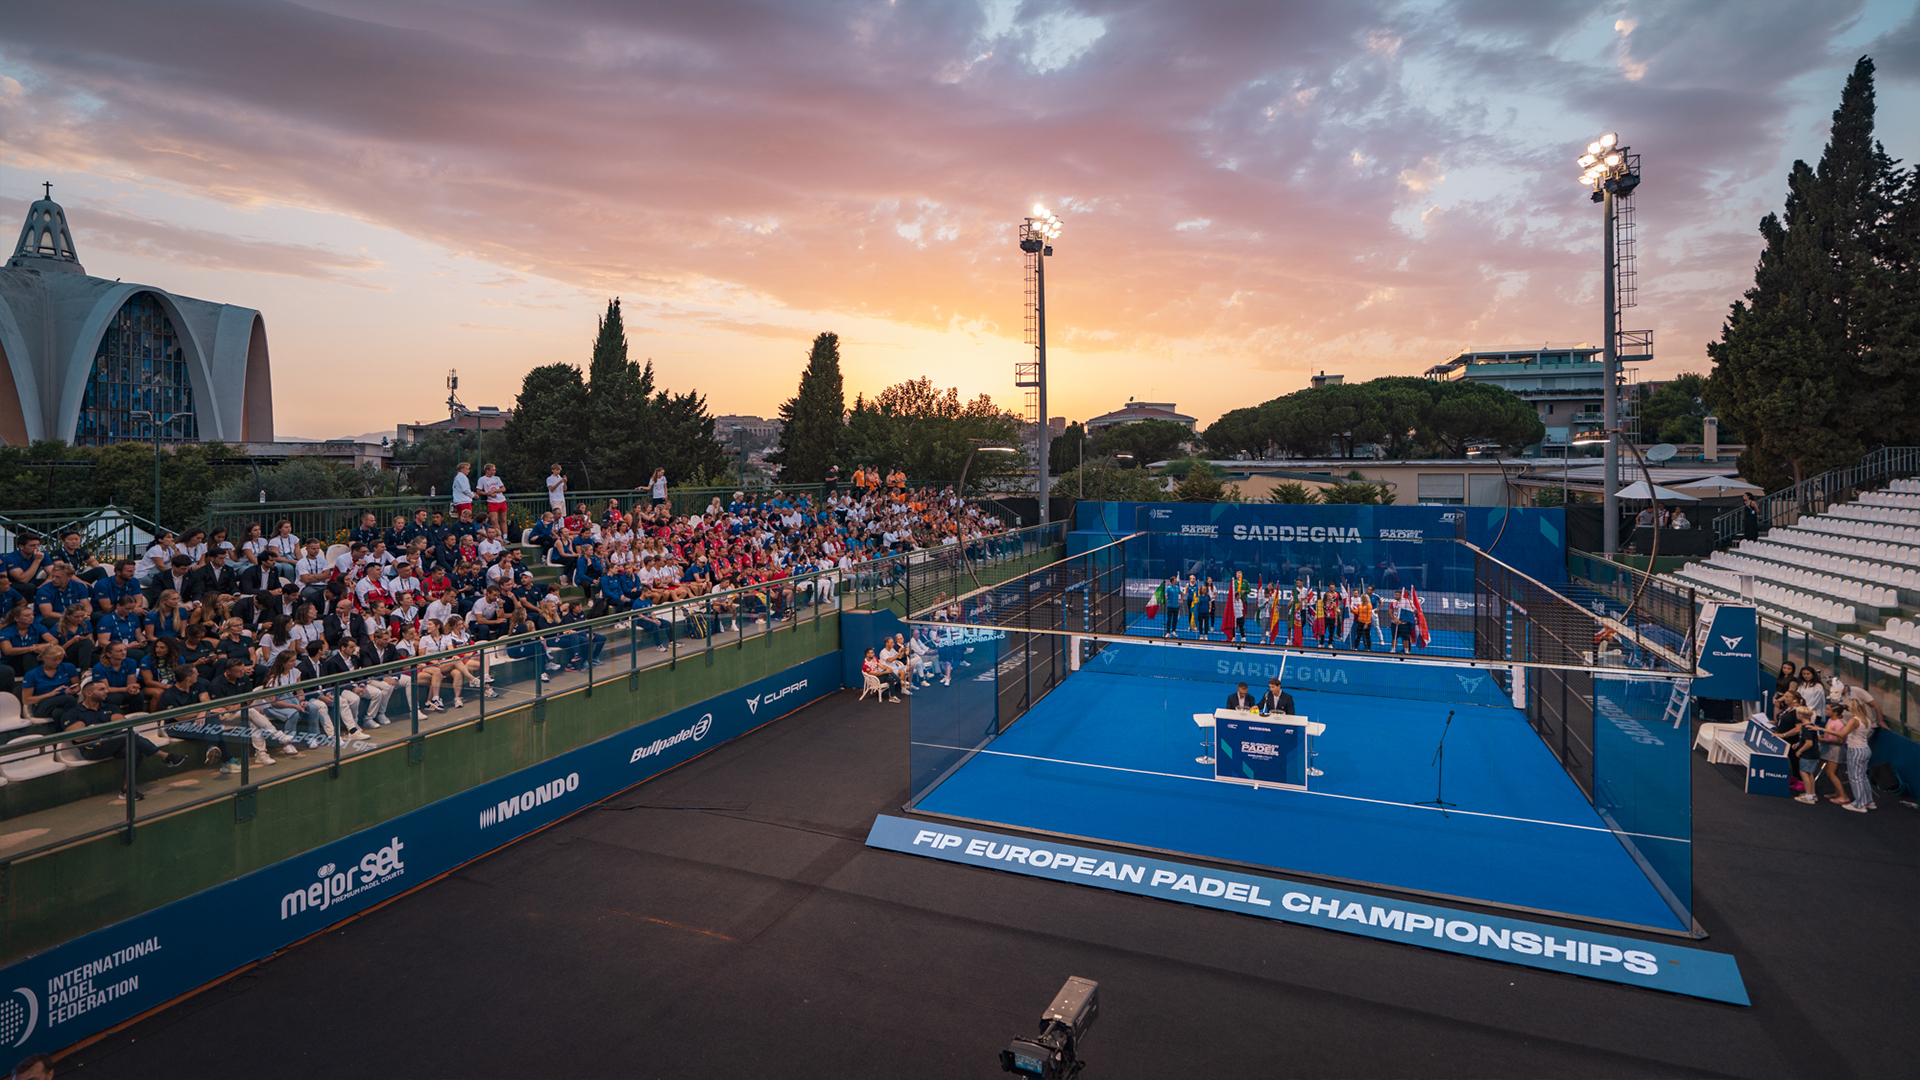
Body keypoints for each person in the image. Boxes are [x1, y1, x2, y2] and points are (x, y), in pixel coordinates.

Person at [60, 678, 187, 801]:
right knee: (127, 735)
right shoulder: (73, 713)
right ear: (89, 693)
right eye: (101, 689)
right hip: (91, 749)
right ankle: (164, 756)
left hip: (113, 743)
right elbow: (81, 737)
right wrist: (108, 729)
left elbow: (121, 725)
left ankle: (127, 790)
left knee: (133, 750)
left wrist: (94, 729)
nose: (107, 691)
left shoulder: (110, 707)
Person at [478, 463, 508, 533]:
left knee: (503, 519)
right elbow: (479, 491)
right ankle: (498, 535)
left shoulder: (497, 478)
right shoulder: (482, 479)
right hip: (492, 501)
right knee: (494, 520)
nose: (494, 471)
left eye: (494, 470)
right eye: (492, 470)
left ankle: (505, 536)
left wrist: (495, 490)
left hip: (501, 500)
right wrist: (487, 493)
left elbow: (503, 489)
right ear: (487, 470)